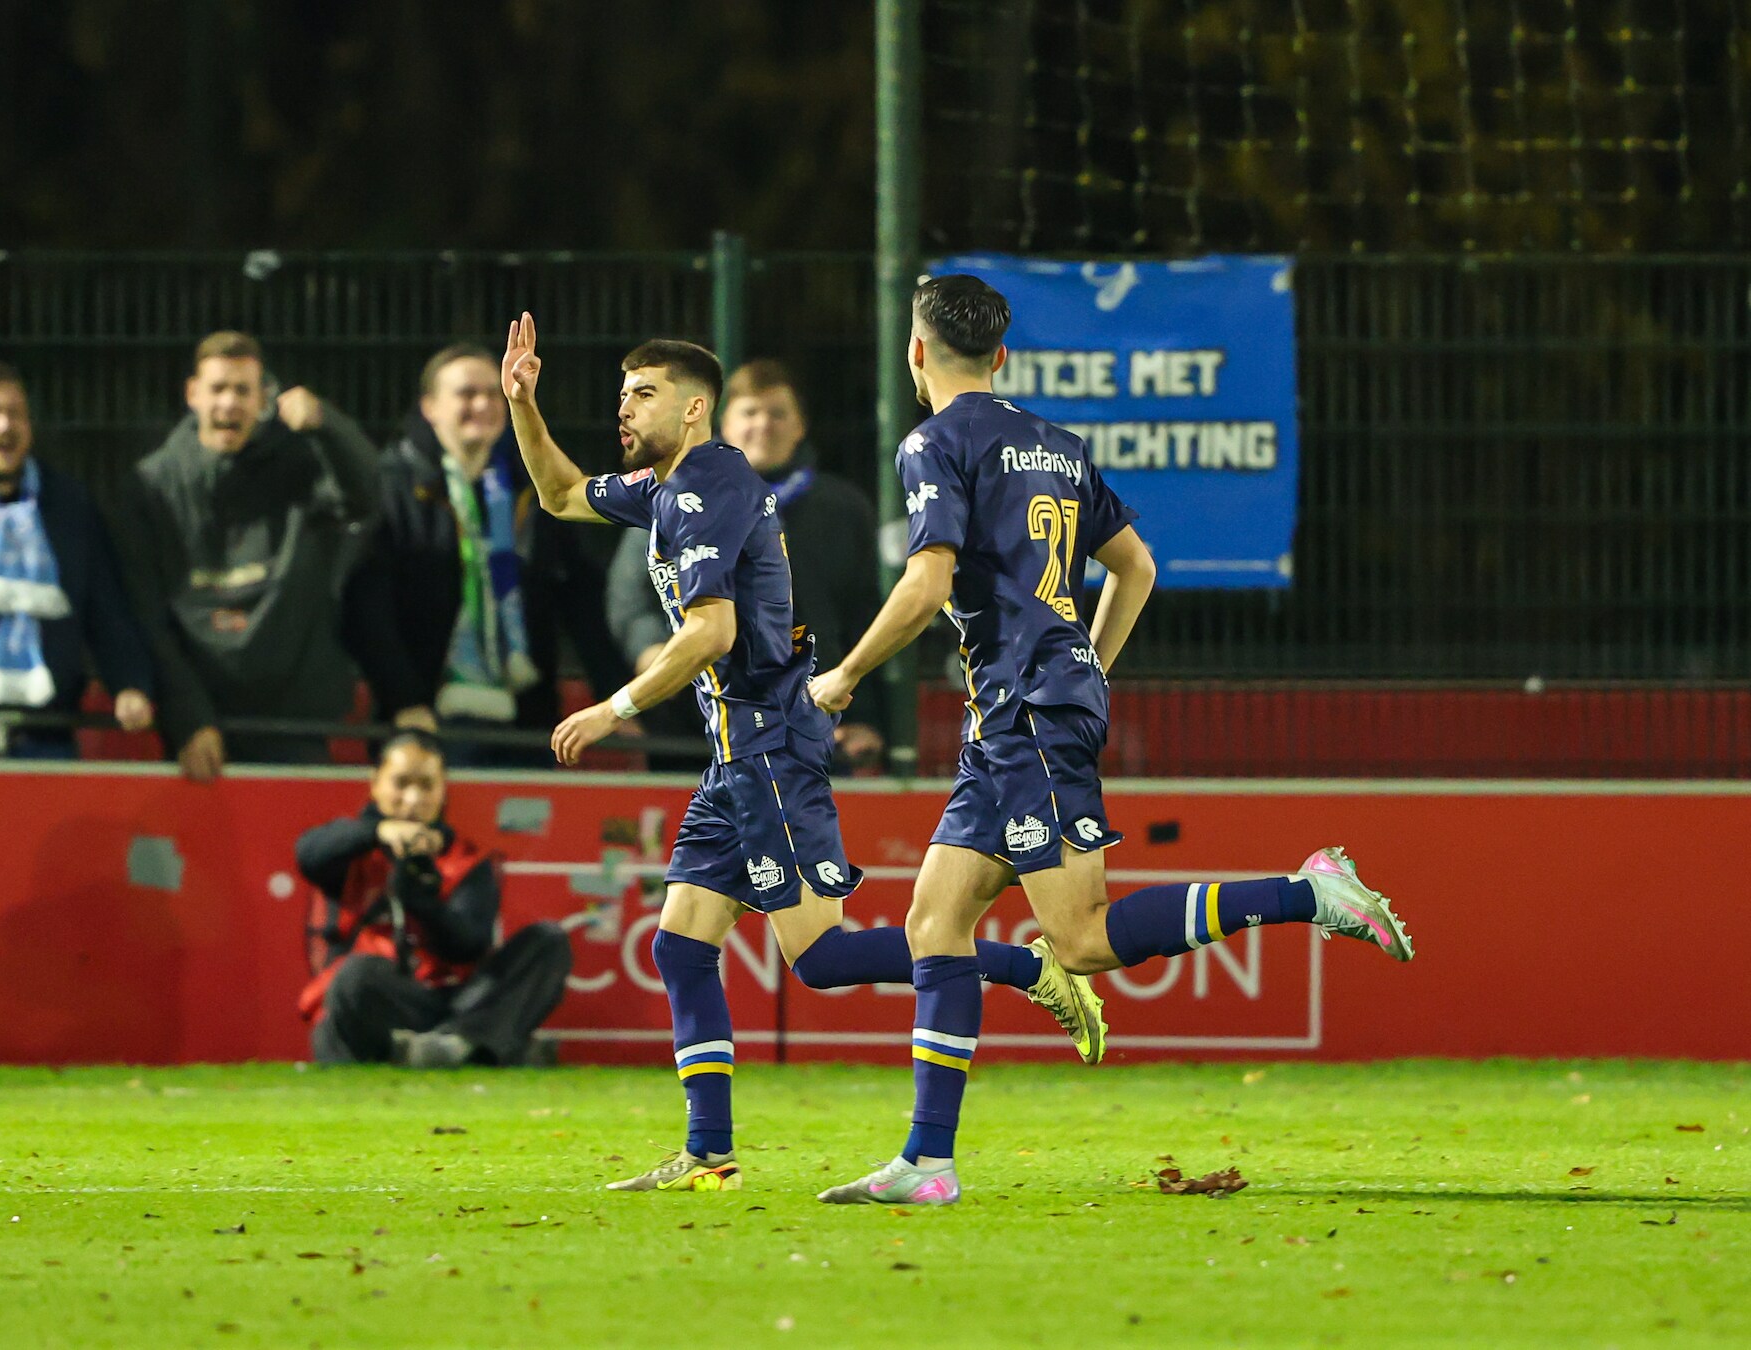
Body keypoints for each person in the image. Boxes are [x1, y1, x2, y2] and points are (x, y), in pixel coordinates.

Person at [808, 275, 1417, 1206]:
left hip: (1026, 713)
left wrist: (845, 675)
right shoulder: (1056, 446)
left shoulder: (934, 441)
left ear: (917, 353)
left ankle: (1309, 891)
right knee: (936, 922)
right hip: (1020, 711)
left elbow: (928, 585)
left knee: (1083, 940)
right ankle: (928, 1163)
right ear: (1001, 357)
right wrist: (1089, 664)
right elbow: (1136, 567)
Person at [500, 312, 1094, 1193]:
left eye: (644, 393)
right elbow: (557, 492)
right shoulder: (666, 486)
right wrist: (524, 403)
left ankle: (1021, 964)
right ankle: (709, 1154)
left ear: (696, 409)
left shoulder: (709, 489)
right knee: (680, 945)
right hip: (736, 756)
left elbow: (711, 631)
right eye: (622, 392)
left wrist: (614, 707)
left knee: (819, 960)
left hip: (771, 752)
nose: (624, 407)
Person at [342, 343, 629, 765]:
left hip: (525, 720)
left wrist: (616, 697)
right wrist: (404, 701)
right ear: (430, 407)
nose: (483, 405)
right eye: (466, 394)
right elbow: (367, 606)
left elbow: (579, 595)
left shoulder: (533, 487)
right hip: (426, 721)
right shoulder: (393, 486)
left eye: (493, 394)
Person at [116, 331, 381, 779]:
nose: (229, 403)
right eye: (218, 388)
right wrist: (188, 718)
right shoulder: (151, 487)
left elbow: (367, 497)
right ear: (192, 394)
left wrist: (327, 425)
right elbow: (146, 614)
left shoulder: (301, 467)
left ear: (263, 400)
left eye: (243, 390)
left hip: (293, 726)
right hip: (197, 730)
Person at [606, 360, 884, 771]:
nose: (763, 425)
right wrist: (652, 652)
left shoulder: (844, 510)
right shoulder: (673, 494)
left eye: (777, 413)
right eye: (750, 412)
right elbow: (629, 596)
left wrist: (866, 720)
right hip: (691, 722)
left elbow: (865, 618)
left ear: (800, 426)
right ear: (726, 425)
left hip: (809, 724)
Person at [297, 728, 573, 1066]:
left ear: (443, 790)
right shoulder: (350, 850)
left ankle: (451, 1043)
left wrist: (424, 903)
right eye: (401, 783)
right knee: (354, 977)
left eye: (426, 786)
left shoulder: (467, 861)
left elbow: (468, 946)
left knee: (548, 943)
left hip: (444, 1000)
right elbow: (308, 855)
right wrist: (379, 832)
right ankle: (475, 1048)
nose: (413, 799)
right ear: (375, 783)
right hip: (376, 997)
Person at [0, 361, 155, 757]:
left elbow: (105, 606)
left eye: (15, 414)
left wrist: (130, 682)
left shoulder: (67, 504)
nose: (3, 427)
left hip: (47, 737)